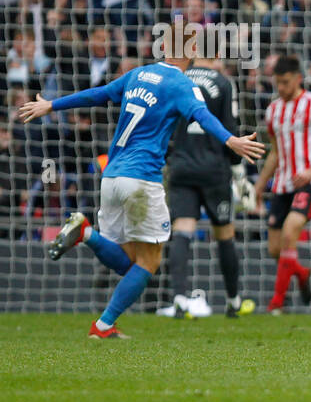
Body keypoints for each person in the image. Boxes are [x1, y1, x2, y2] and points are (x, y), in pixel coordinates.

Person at [17, 52, 264, 338]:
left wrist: (51, 105)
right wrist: (230, 140)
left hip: (111, 176)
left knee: (129, 261)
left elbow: (98, 94)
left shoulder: (137, 74)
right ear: (190, 53)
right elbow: (202, 116)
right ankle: (103, 325)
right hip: (142, 179)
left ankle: (86, 234)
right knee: (149, 262)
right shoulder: (179, 84)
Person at [160, 53, 257, 319]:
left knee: (182, 230)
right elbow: (230, 127)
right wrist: (239, 172)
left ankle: (179, 300)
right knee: (224, 233)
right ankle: (233, 301)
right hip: (214, 167)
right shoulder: (224, 83)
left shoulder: (176, 80)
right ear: (214, 56)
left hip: (181, 165)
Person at [254, 55, 311, 314]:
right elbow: (274, 152)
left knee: (289, 232)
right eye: (277, 84)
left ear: (298, 78)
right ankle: (301, 273)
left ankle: (277, 303)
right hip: (282, 184)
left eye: (285, 83)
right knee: (275, 248)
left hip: (308, 181)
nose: (281, 89)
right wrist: (260, 186)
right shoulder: (273, 110)